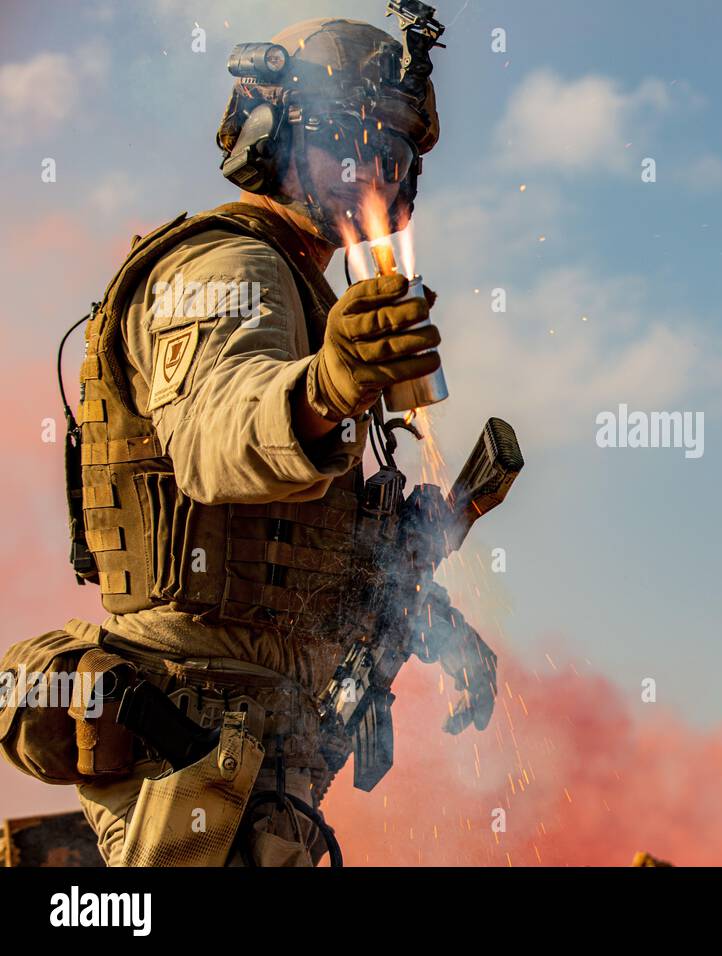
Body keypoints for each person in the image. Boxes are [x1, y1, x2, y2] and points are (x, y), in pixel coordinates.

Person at [0, 15, 497, 867]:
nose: (372, 173)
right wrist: (326, 387)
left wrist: (431, 621)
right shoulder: (229, 268)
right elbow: (216, 435)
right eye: (347, 141)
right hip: (190, 739)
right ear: (273, 137)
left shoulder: (312, 292)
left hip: (263, 750)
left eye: (395, 156)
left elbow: (314, 551)